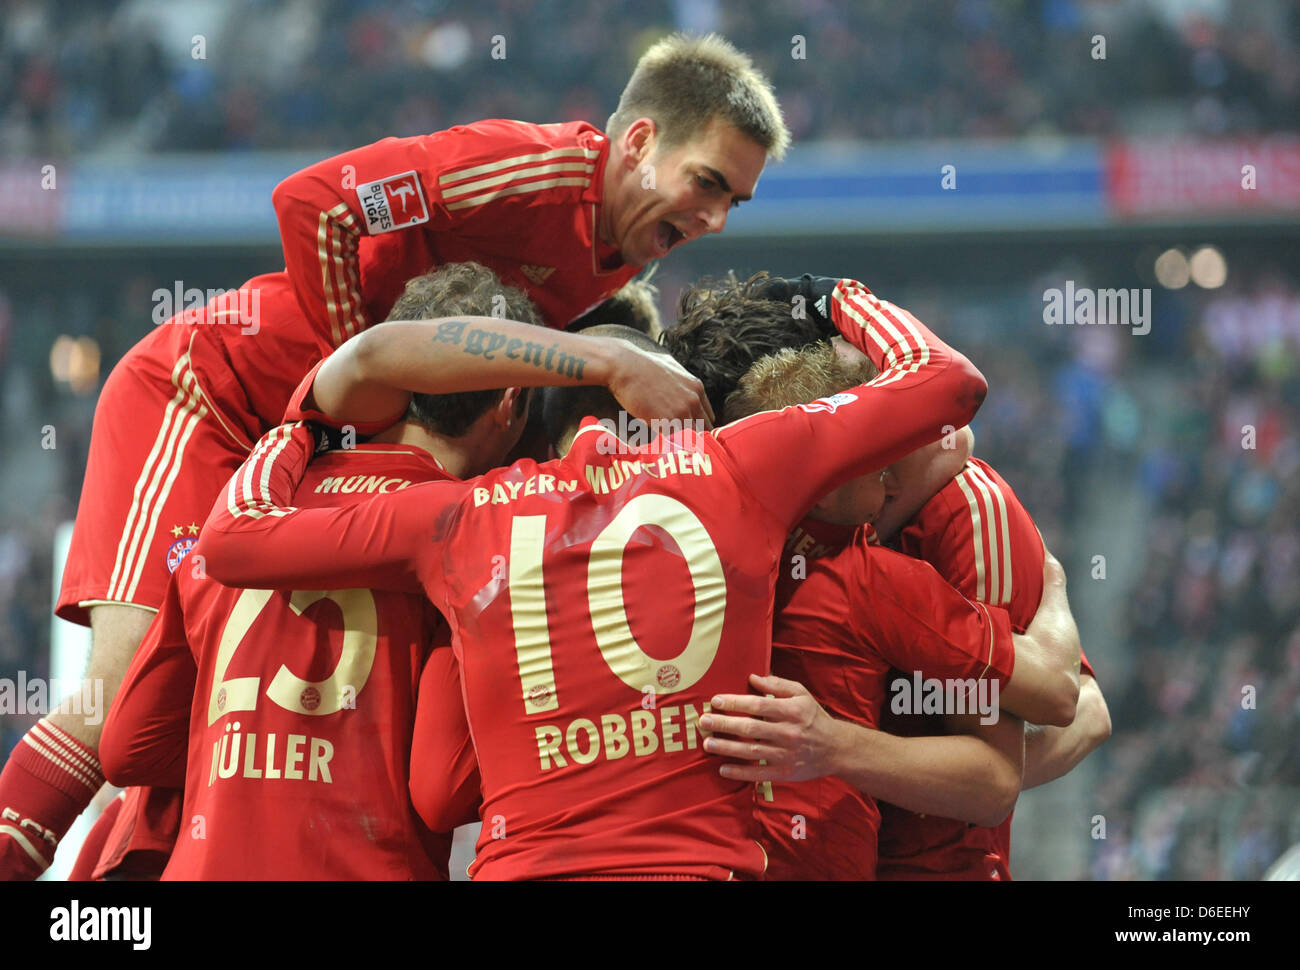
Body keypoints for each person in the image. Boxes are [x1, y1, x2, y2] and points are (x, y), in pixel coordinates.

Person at [0, 32, 780, 879]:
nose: (713, 219)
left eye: (734, 202)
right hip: (206, 396)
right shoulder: (538, 170)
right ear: (637, 144)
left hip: (295, 444)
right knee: (109, 705)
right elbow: (314, 203)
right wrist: (364, 390)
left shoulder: (613, 252)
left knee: (202, 729)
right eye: (707, 183)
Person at [197, 277, 986, 879]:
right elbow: (948, 382)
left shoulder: (461, 520)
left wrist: (303, 425)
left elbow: (233, 542)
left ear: (528, 419)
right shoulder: (740, 469)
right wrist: (831, 297)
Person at [96, 263, 543, 878]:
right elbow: (440, 790)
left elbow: (127, 749)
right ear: (512, 403)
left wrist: (248, 760)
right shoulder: (468, 536)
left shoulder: (241, 509)